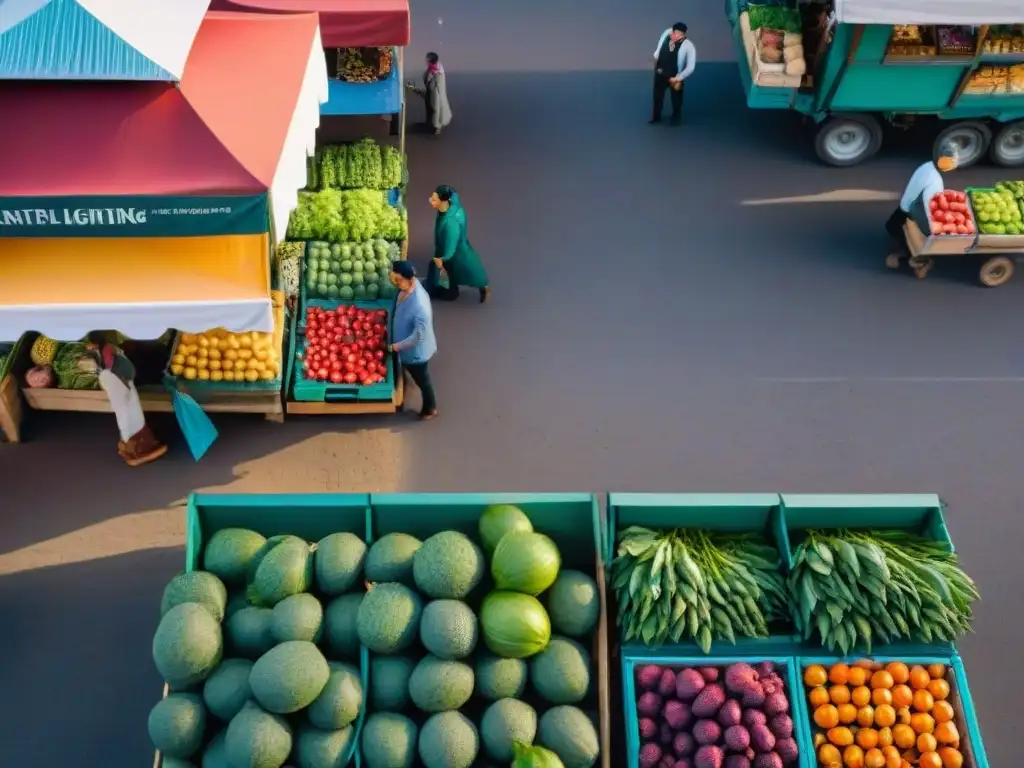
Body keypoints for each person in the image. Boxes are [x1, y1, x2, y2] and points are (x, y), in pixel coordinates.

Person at [85, 342, 167, 466]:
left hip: (112, 368)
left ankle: (135, 441)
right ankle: (135, 445)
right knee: (123, 395)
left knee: (125, 393)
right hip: (111, 372)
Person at [885, 144, 959, 269]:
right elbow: (929, 207)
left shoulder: (927, 166)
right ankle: (914, 259)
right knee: (919, 238)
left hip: (905, 204)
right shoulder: (935, 182)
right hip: (912, 211)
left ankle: (897, 235)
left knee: (892, 226)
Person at [389, 260, 439, 420]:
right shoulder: (407, 287)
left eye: (398, 280)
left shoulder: (419, 306)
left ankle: (430, 408)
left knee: (423, 380)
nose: (395, 283)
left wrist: (397, 347)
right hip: (405, 345)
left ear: (409, 280)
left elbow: (418, 337)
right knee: (410, 372)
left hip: (415, 353)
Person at [427, 185, 490, 303]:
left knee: (467, 271)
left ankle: (482, 287)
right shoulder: (449, 206)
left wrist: (443, 258)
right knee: (452, 272)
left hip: (456, 252)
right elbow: (454, 195)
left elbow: (451, 246)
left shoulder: (451, 223)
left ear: (444, 201)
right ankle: (448, 288)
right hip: (449, 247)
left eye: (434, 199)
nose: (431, 200)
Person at [651, 23, 697, 125]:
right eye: (675, 33)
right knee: (657, 96)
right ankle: (656, 117)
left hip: (675, 75)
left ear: (684, 35)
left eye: (680, 35)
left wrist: (679, 78)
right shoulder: (666, 34)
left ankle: (676, 119)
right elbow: (659, 46)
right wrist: (656, 56)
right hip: (660, 72)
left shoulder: (688, 46)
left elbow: (691, 67)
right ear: (672, 31)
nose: (677, 36)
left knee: (676, 99)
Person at [407, 52, 452, 136]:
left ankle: (435, 127)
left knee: (435, 109)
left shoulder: (434, 74)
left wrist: (414, 88)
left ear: (429, 61)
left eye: (427, 60)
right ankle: (433, 125)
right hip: (434, 95)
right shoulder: (437, 68)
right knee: (434, 109)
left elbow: (433, 95)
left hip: (434, 98)